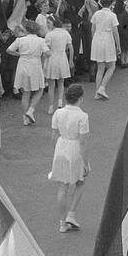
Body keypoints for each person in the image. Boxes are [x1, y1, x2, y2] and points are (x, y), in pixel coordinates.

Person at [49, 83, 89, 233]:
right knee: (81, 181)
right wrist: (86, 163)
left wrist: (58, 151)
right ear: (80, 98)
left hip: (61, 147)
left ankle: (62, 223)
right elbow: (83, 141)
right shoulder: (82, 116)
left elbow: (54, 136)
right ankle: (71, 214)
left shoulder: (58, 113)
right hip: (75, 149)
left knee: (62, 187)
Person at [7, 19, 49, 126]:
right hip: (35, 64)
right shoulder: (40, 40)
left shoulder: (20, 40)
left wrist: (20, 54)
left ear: (26, 29)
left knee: (26, 92)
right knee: (40, 89)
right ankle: (30, 110)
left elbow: (9, 50)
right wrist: (41, 56)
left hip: (23, 64)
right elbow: (48, 53)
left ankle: (25, 118)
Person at [90, 0, 120, 100]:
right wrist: (118, 46)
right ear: (111, 3)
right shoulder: (112, 15)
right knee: (111, 66)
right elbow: (115, 32)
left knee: (100, 67)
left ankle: (97, 92)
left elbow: (93, 29)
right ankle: (102, 88)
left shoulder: (96, 14)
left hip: (97, 39)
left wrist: (95, 40)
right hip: (107, 39)